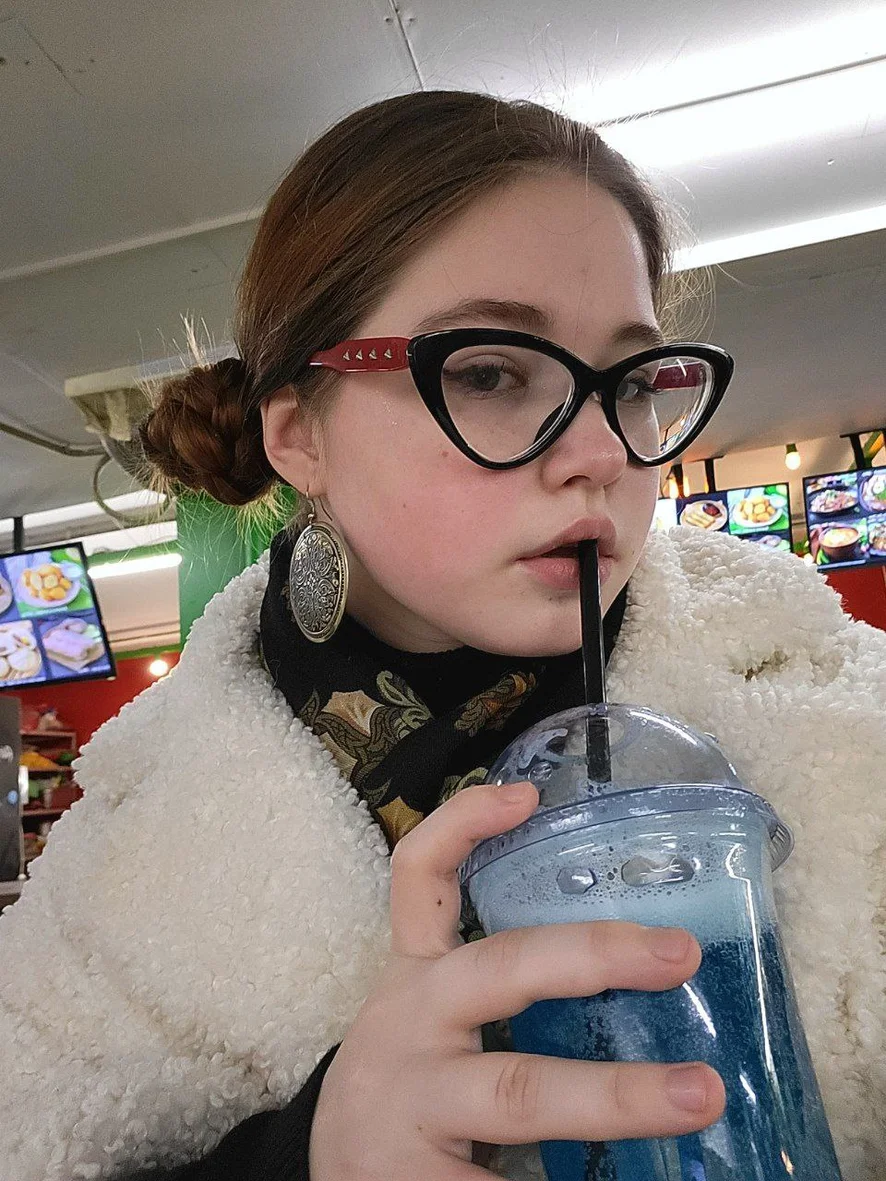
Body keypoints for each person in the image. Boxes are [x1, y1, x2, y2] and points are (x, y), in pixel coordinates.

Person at [0, 90, 883, 1181]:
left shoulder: (848, 723)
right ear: (300, 436)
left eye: (636, 381)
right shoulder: (122, 860)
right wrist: (305, 1154)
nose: (603, 453)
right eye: (489, 373)